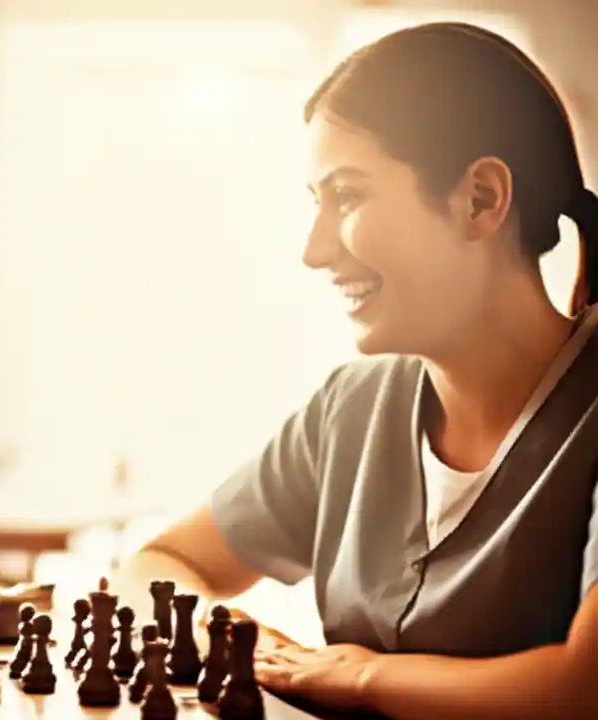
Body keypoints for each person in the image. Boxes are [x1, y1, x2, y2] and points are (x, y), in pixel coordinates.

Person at [117, 22, 598, 719]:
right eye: (318, 203)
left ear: (482, 200)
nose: (313, 252)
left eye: (348, 196)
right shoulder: (351, 410)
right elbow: (154, 566)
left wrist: (359, 677)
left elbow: (582, 689)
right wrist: (217, 634)